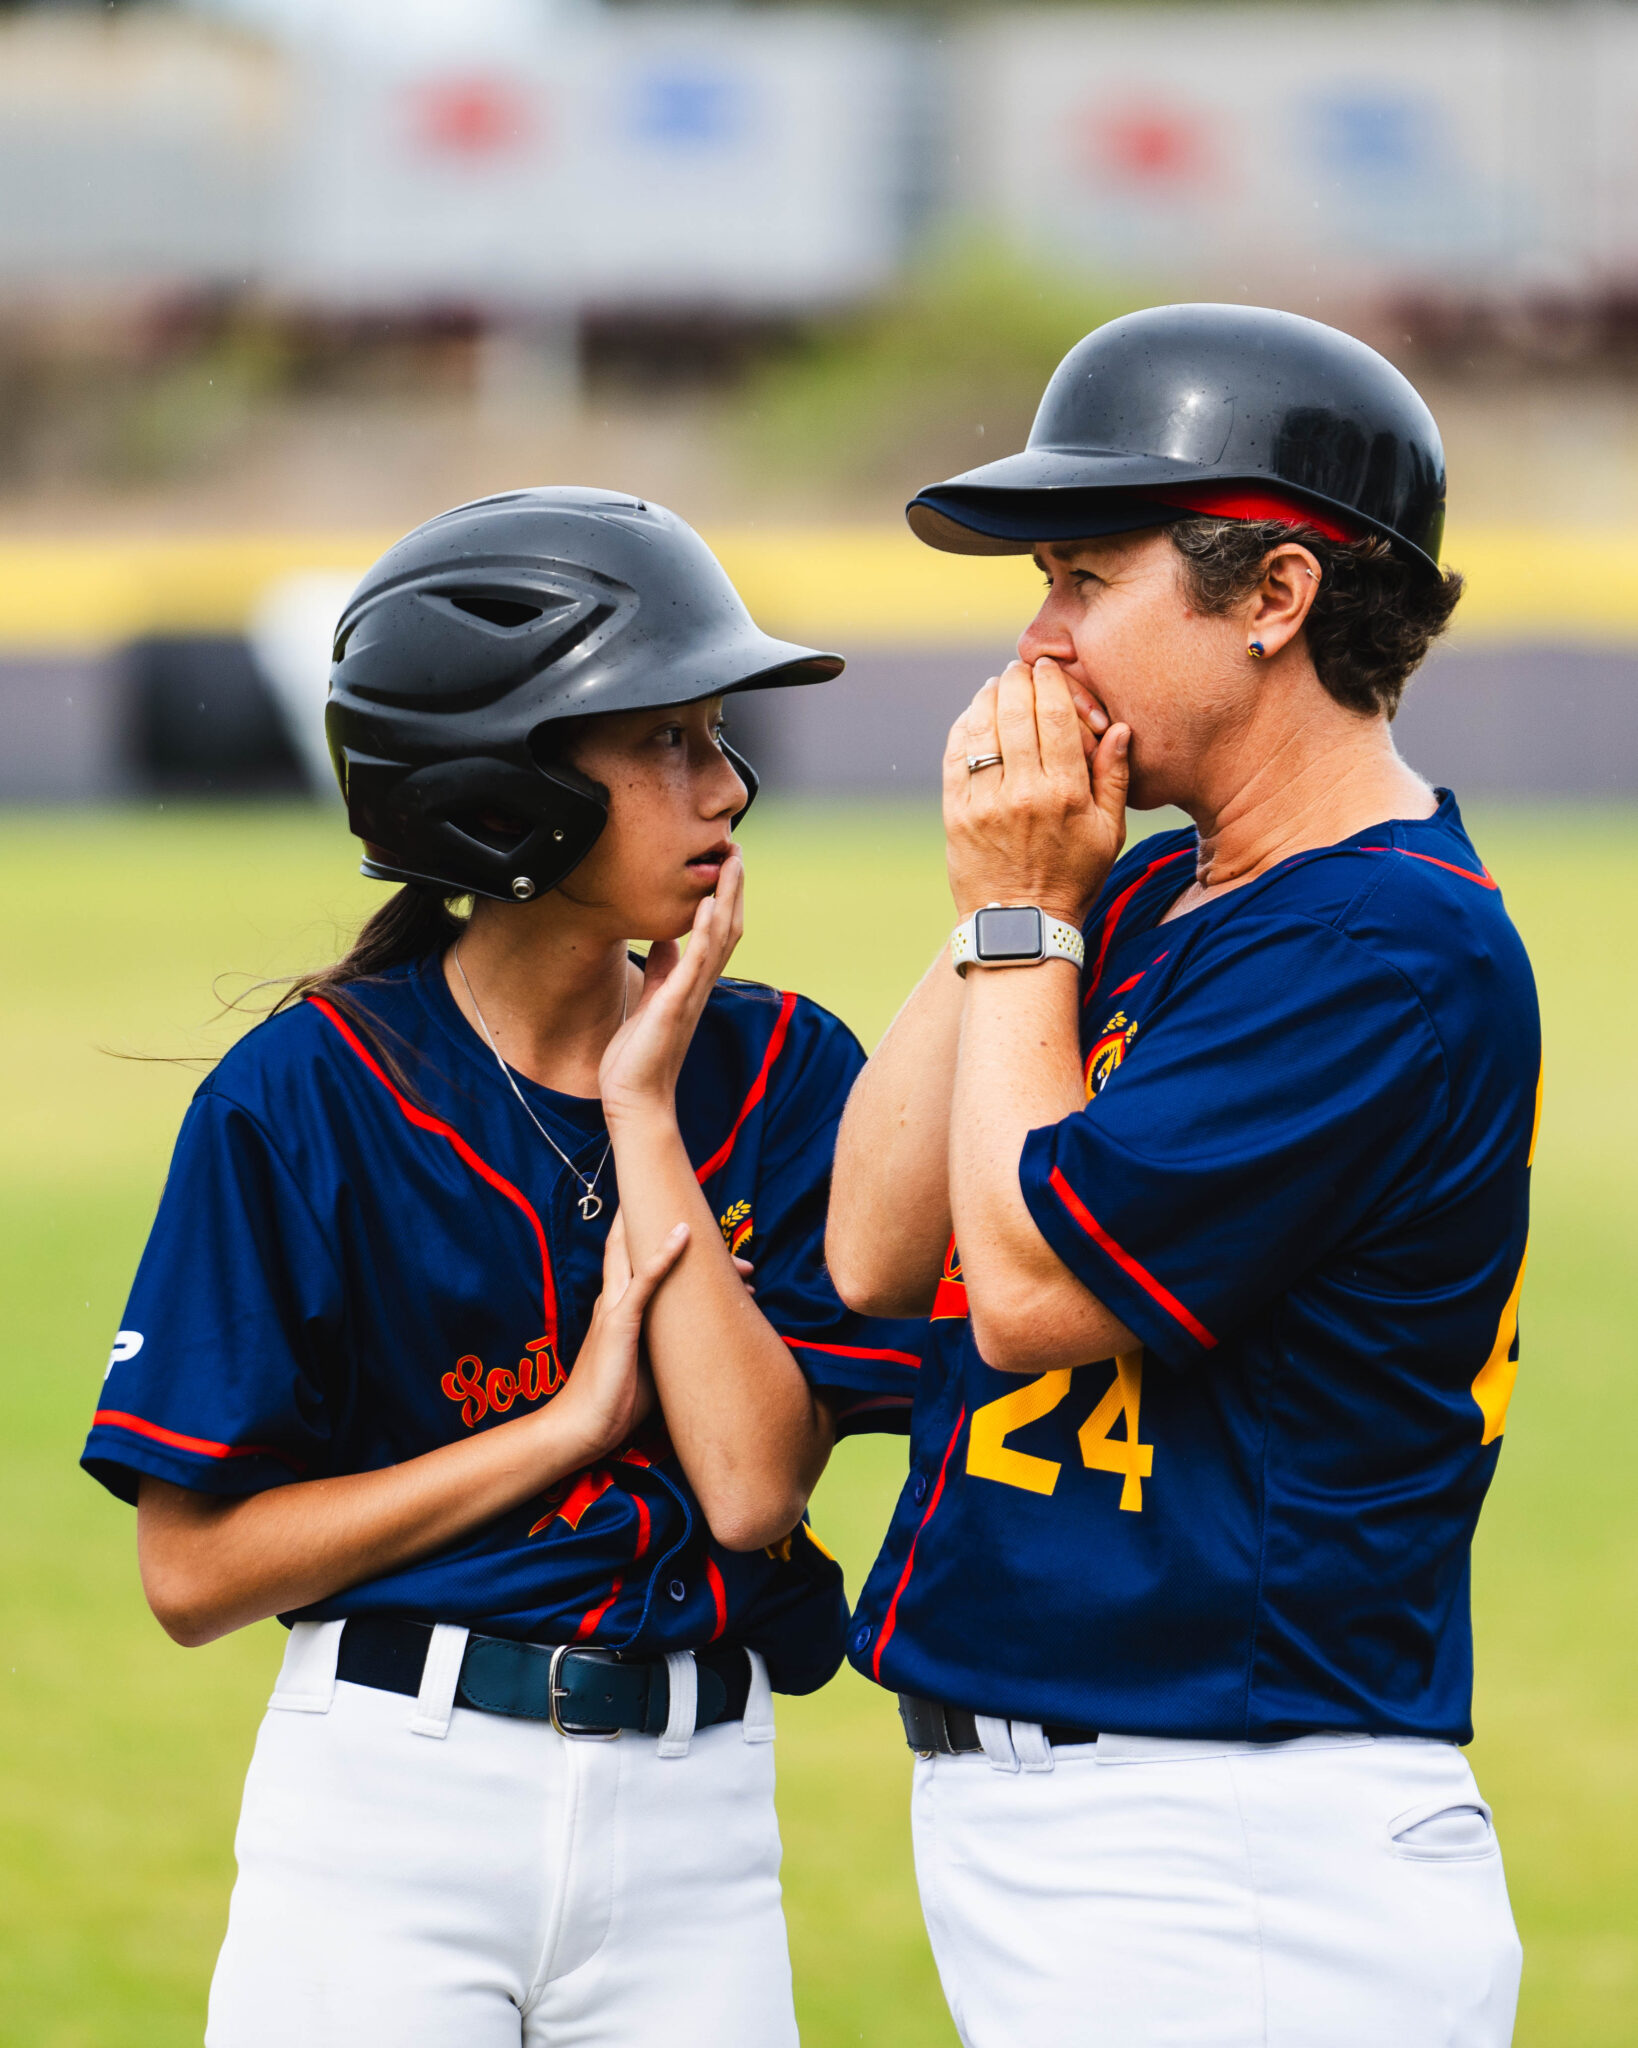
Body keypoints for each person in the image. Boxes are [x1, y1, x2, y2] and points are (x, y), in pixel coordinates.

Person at [82, 488, 920, 2048]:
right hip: (387, 1813)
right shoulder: (304, 1096)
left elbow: (751, 1495)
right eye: (665, 739)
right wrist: (556, 1432)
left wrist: (643, 1104)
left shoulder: (789, 1069)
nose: (727, 787)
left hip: (697, 1827)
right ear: (503, 789)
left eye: (717, 734)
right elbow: (191, 1578)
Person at [826, 305, 1536, 2048]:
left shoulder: (1380, 945)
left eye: (1084, 576)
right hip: (1122, 1830)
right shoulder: (1146, 898)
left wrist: (1017, 911)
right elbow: (867, 1245)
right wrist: (1014, 897)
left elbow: (1028, 1295)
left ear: (1273, 598)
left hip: (1235, 1843)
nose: (1038, 637)